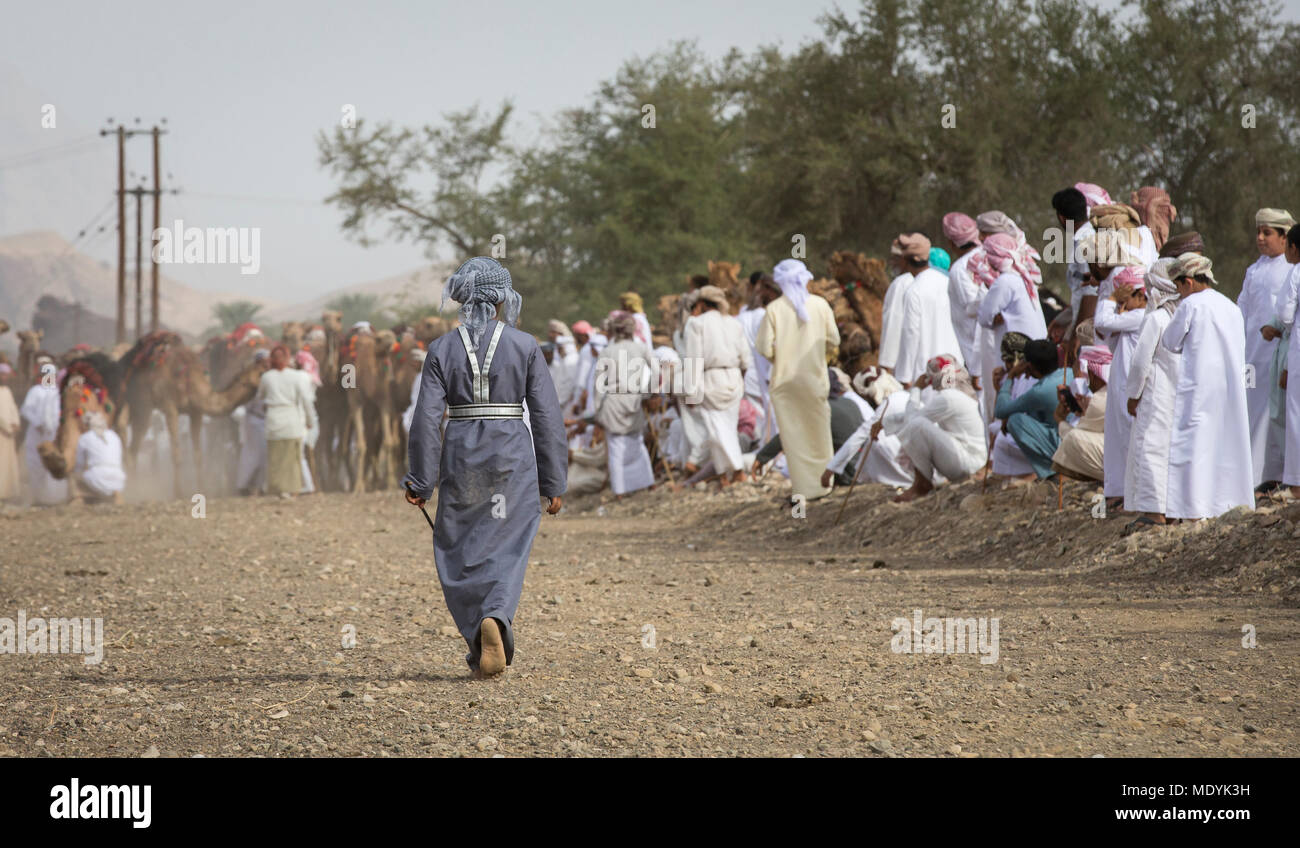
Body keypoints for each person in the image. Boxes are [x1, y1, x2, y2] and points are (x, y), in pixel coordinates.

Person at [404, 257, 566, 679]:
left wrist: (421, 479)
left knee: (458, 544)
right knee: (507, 545)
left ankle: (480, 629)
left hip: (462, 456)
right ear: (501, 300)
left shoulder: (441, 348)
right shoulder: (526, 345)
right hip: (512, 456)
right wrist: (554, 483)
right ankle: (495, 616)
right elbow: (547, 415)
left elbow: (425, 418)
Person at [1160, 253, 1254, 519]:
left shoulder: (1191, 306)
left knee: (1195, 446)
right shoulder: (1231, 306)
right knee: (1227, 442)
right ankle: (1231, 503)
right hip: (1230, 389)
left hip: (1198, 388)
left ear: (1187, 282)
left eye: (1178, 287)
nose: (1179, 293)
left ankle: (1193, 509)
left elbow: (1170, 342)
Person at [756, 259, 840, 500]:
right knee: (819, 433)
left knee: (794, 436)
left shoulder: (774, 309)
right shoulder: (820, 305)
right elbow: (834, 339)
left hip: (785, 383)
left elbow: (763, 347)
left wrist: (779, 356)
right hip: (814, 379)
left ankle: (803, 489)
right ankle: (824, 485)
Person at [1239, 208, 1296, 491]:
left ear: (1285, 237)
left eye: (1268, 233)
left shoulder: (1292, 269)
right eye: (1258, 232)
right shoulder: (1254, 269)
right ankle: (1258, 476)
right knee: (1253, 412)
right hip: (1252, 356)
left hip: (1281, 354)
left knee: (1279, 413)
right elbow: (1242, 310)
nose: (1260, 238)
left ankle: (1282, 476)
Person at [1123, 258, 1181, 526]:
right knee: (1172, 449)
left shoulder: (1156, 318)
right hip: (1179, 394)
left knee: (1150, 448)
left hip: (1156, 392)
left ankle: (1154, 511)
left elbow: (1139, 362)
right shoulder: (1184, 314)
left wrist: (1133, 395)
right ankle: (1172, 509)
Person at [884, 354, 986, 501]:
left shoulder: (947, 397)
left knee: (916, 426)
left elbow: (912, 420)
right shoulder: (956, 392)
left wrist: (917, 389)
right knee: (917, 424)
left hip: (968, 463)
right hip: (972, 459)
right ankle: (921, 483)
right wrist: (883, 423)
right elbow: (918, 415)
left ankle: (921, 485)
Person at [684, 286, 752, 486]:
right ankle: (724, 475)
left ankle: (737, 470)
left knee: (718, 431)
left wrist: (691, 393)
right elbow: (745, 359)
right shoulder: (734, 323)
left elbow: (693, 360)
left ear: (703, 304)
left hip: (710, 378)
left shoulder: (696, 324)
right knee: (724, 429)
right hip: (732, 377)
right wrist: (738, 377)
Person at [976, 232, 1048, 421]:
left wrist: (997, 317)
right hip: (1031, 350)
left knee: (1010, 408)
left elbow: (984, 317)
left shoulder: (1005, 281)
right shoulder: (1022, 278)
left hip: (1017, 355)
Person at [1094, 265, 1148, 509]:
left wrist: (1113, 300)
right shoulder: (1129, 316)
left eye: (1126, 297)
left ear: (1139, 295)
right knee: (1117, 435)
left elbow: (1102, 320)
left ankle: (1135, 493)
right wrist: (1119, 305)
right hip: (1120, 382)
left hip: (1131, 385)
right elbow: (1103, 331)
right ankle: (1118, 489)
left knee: (1130, 434)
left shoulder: (1141, 315)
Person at [592, 310, 655, 497]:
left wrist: (597, 410)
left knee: (616, 447)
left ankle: (619, 491)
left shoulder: (607, 351)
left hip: (613, 401)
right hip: (634, 399)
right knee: (637, 442)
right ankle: (647, 484)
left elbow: (598, 384)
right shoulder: (641, 348)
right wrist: (648, 394)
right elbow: (658, 371)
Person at [822, 367, 913, 489]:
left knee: (876, 439)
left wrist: (830, 470)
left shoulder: (887, 406)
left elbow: (860, 436)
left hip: (914, 460)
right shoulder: (905, 396)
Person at [993, 339, 1070, 481]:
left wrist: (1010, 377)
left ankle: (1053, 472)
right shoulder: (1068, 372)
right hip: (1075, 437)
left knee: (1015, 421)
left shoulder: (1039, 391)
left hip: (1067, 444)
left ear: (1029, 366)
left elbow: (1000, 411)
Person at [893, 233, 964, 383]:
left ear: (905, 260)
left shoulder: (914, 291)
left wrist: (904, 378)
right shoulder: (946, 281)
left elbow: (910, 334)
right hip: (955, 364)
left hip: (928, 372)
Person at [256, 344, 317, 498]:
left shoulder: (266, 377)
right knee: (293, 459)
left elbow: (260, 398)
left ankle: (280, 490)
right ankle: (293, 490)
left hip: (274, 420)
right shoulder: (297, 377)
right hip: (292, 420)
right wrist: (310, 420)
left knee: (276, 458)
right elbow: (306, 400)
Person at [1052, 345, 1109, 483]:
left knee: (1073, 438)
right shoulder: (1110, 392)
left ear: (1094, 374)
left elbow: (1076, 434)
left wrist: (1059, 419)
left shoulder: (1100, 399)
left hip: (1125, 459)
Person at [19, 356, 68, 505]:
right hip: (37, 435)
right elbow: (26, 409)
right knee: (36, 466)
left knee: (55, 464)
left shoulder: (59, 392)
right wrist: (37, 423)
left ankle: (56, 498)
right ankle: (38, 498)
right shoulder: (36, 391)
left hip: (54, 434)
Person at [943, 212, 986, 379]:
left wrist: (976, 369)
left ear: (951, 243)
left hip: (977, 356)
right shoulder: (990, 255)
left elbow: (977, 314)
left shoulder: (960, 268)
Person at [1274, 224, 1300, 500]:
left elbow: (1283, 314)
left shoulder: (1296, 272)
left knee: (1296, 412)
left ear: (1293, 247)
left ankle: (1297, 485)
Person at [1051, 187, 1093, 337]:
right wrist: (1063, 319)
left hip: (1089, 331)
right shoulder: (1084, 237)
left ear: (1062, 217)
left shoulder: (1084, 240)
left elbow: (1090, 293)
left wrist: (1077, 336)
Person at [878, 237, 919, 375]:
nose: (892, 262)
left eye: (895, 258)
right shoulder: (933, 279)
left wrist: (885, 365)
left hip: (905, 367)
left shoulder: (900, 284)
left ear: (905, 259)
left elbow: (893, 324)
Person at [236, 349, 271, 495]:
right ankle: (244, 486)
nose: (265, 364)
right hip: (254, 420)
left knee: (264, 455)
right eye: (262, 362)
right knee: (253, 454)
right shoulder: (250, 380)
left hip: (268, 420)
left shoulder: (270, 377)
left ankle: (261, 486)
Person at [72, 410, 126, 502]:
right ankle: (115, 494)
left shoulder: (85, 437)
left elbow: (79, 465)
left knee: (74, 476)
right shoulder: (115, 436)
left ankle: (78, 497)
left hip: (96, 477)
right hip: (119, 479)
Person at [0, 363, 20, 501]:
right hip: (2, 432)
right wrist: (6, 427)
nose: (4, 377)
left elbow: (13, 408)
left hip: (9, 433)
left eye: (5, 374)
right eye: (2, 374)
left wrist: (15, 423)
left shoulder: (7, 390)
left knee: (8, 464)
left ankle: (8, 493)